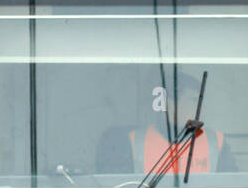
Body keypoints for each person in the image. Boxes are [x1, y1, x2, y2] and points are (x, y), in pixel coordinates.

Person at [95, 72, 237, 177]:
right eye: (194, 100)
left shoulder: (215, 141)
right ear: (170, 103)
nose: (200, 108)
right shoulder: (132, 141)